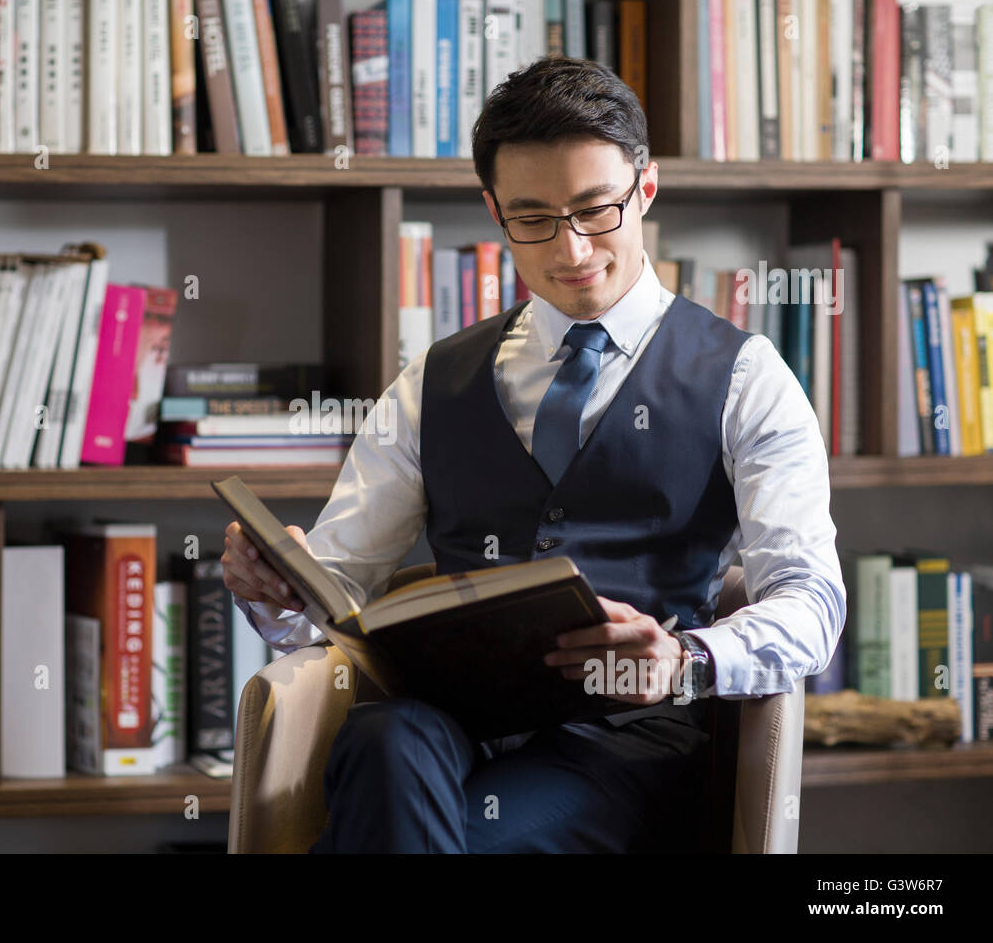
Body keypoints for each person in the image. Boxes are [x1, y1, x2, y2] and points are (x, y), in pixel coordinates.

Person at [220, 57, 846, 853]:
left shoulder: (747, 378)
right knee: (381, 741)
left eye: (596, 209)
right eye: (534, 219)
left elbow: (813, 603)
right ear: (493, 212)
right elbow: (335, 594)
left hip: (624, 746)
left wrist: (686, 658)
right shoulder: (433, 381)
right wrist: (277, 591)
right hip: (448, 726)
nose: (572, 248)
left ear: (645, 189)